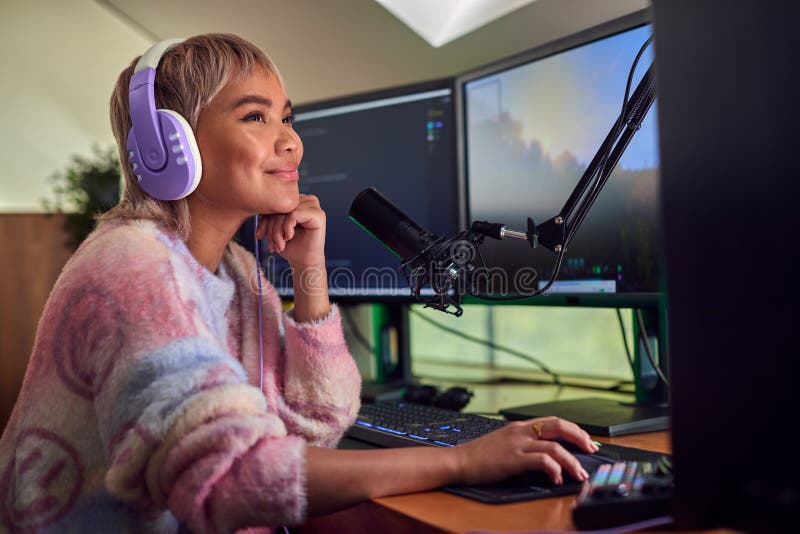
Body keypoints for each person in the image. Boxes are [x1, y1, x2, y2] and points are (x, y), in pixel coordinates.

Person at [0, 34, 598, 533]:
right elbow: (235, 481)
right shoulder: (132, 267)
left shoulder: (232, 273)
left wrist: (310, 271)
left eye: (287, 117)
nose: (291, 141)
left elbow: (315, 423)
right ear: (169, 146)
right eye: (256, 116)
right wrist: (461, 461)